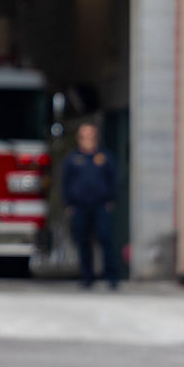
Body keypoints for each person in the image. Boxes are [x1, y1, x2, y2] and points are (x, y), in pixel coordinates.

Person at [62, 122, 120, 290]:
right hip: (79, 206)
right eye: (84, 135)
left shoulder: (104, 157)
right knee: (83, 241)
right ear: (79, 138)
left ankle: (111, 277)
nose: (88, 138)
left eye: (91, 134)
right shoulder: (73, 159)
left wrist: (110, 200)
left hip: (101, 205)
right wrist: (69, 203)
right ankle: (87, 277)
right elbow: (65, 182)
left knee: (105, 239)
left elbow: (112, 179)